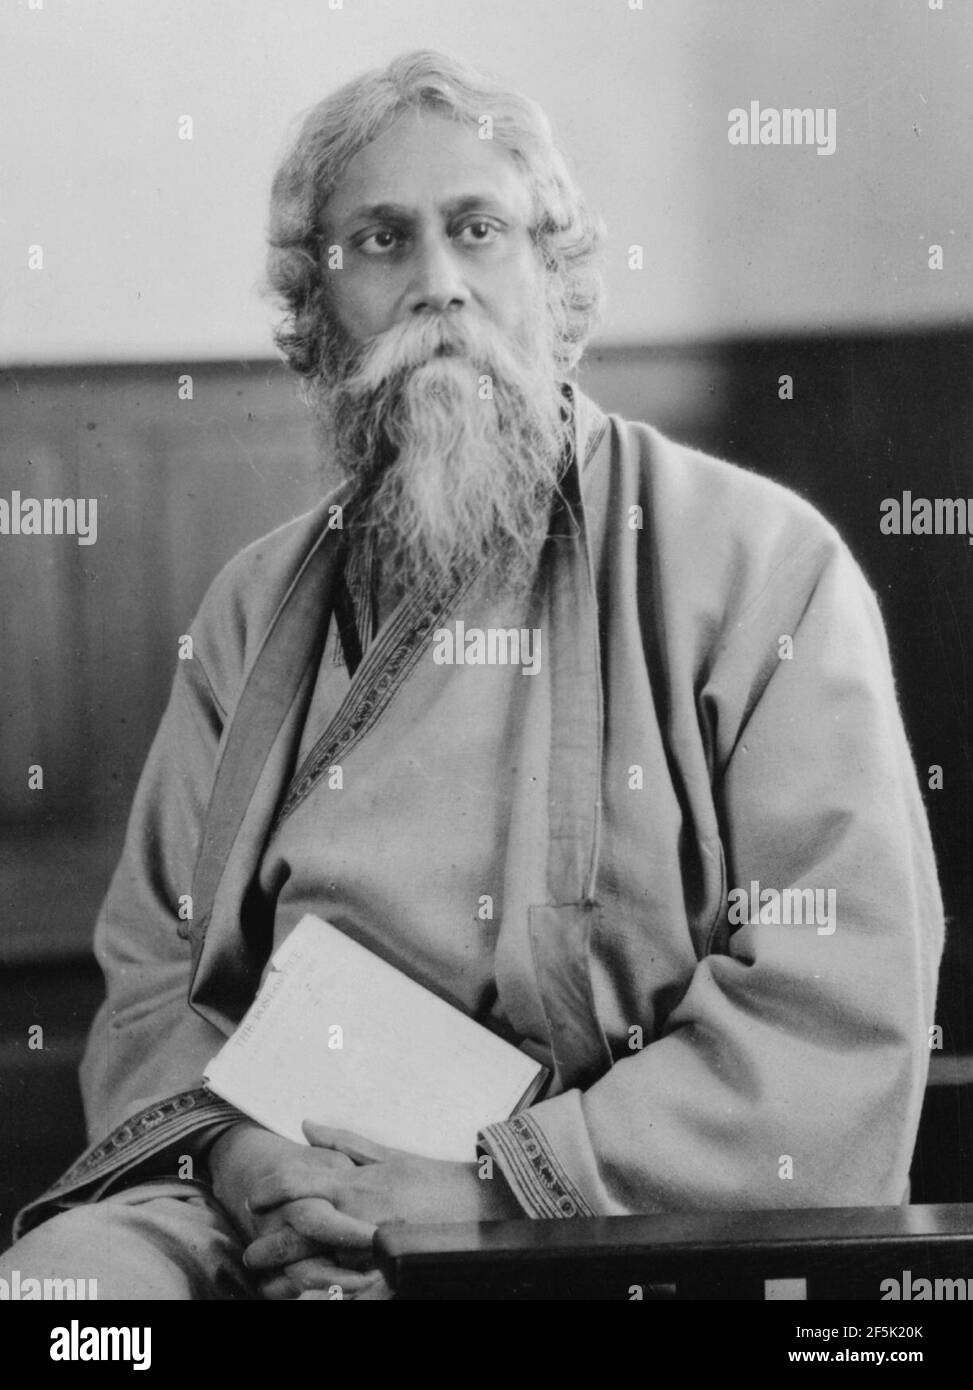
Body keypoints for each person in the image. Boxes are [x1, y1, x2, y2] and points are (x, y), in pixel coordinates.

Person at [1, 49, 944, 1301]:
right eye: (380, 242)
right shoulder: (252, 607)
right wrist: (247, 1165)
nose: (437, 285)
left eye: (479, 230)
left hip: (592, 1220)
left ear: (556, 284)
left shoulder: (760, 566)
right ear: (313, 315)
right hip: (267, 1190)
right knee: (60, 1300)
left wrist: (483, 1194)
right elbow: (155, 968)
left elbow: (832, 1000)